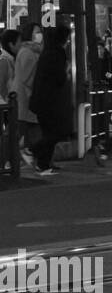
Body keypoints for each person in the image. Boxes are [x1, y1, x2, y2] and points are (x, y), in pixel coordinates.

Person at [29, 23, 73, 177]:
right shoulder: (57, 53)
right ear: (64, 39)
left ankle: (44, 164)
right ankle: (33, 151)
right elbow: (59, 78)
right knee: (55, 132)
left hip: (41, 100)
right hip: (50, 102)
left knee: (50, 132)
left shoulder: (47, 52)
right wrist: (66, 71)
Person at [13, 23, 42, 170]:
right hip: (25, 98)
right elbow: (26, 77)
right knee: (24, 129)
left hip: (27, 99)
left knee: (27, 130)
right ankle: (17, 158)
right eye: (36, 32)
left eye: (40, 31)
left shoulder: (30, 51)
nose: (39, 35)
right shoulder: (27, 52)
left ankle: (28, 158)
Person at [0, 29, 18, 178]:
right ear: (11, 44)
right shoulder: (5, 60)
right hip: (6, 104)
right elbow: (2, 84)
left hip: (7, 104)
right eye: (19, 43)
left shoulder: (8, 59)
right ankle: (6, 162)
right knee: (7, 134)